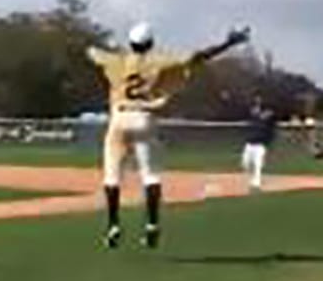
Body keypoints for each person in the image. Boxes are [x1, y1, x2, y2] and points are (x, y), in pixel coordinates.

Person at [88, 22, 249, 250]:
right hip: (144, 116)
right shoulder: (160, 60)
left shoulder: (117, 60)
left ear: (131, 43)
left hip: (119, 117)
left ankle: (113, 224)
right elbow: (198, 57)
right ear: (151, 43)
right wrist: (229, 43)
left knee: (112, 176)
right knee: (150, 175)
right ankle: (152, 223)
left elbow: (91, 53)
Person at [241, 94, 278, 193]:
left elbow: (271, 119)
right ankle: (251, 178)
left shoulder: (268, 114)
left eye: (260, 99)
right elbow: (251, 113)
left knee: (258, 164)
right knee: (245, 163)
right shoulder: (252, 112)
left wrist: (268, 142)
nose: (258, 100)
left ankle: (256, 183)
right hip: (249, 143)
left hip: (260, 144)